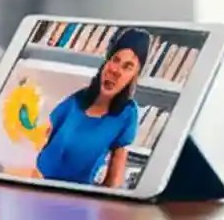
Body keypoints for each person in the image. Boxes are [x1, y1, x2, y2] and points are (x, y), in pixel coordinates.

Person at [34, 27, 151, 187]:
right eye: (115, 60)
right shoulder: (77, 99)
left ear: (134, 76)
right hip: (37, 182)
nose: (116, 71)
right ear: (106, 62)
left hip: (76, 198)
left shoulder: (127, 114)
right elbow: (43, 137)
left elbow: (114, 179)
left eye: (127, 67)